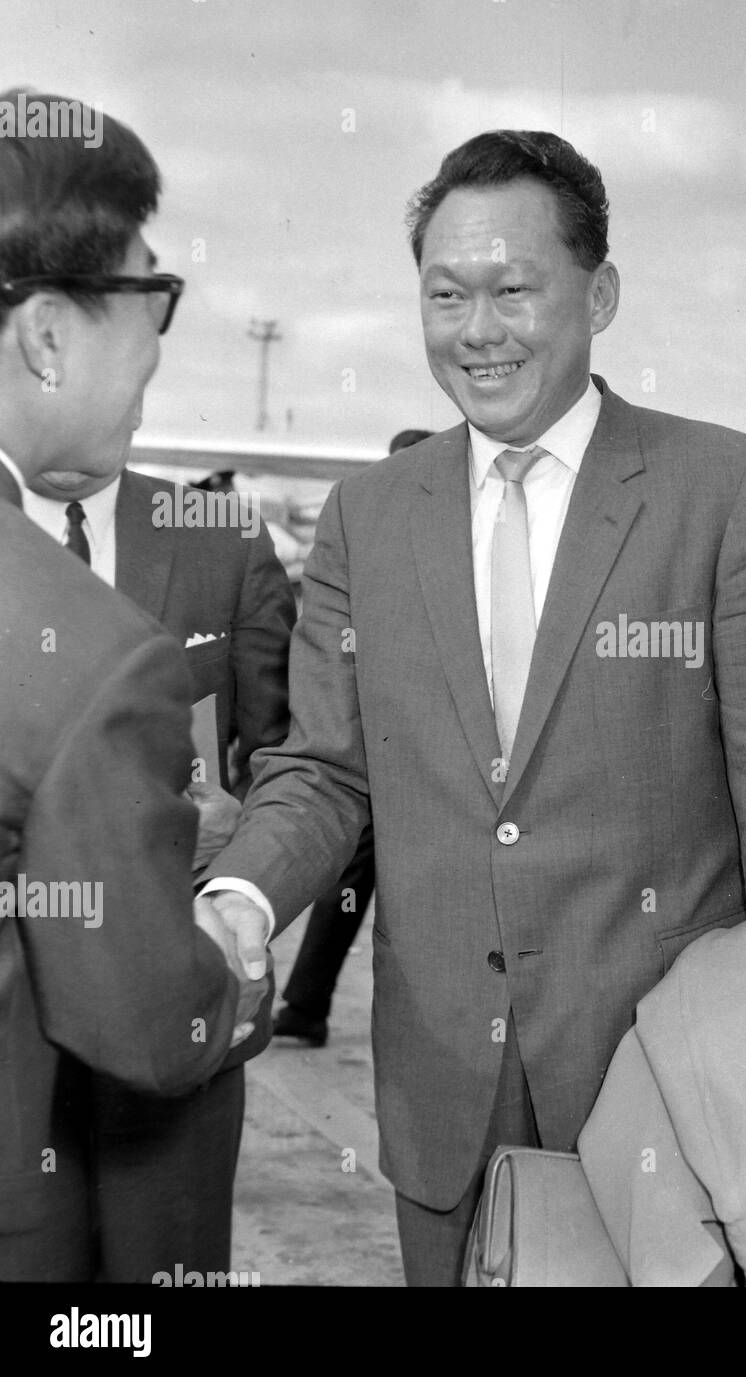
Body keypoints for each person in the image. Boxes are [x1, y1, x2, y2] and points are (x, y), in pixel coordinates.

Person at [198, 129, 746, 1285]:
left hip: (668, 1093)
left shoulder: (721, 491)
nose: (478, 330)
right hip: (443, 1086)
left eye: (514, 290)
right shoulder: (367, 517)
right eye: (445, 294)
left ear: (598, 295)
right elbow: (325, 770)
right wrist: (244, 896)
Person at [0, 89, 264, 1281]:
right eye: (150, 298)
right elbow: (146, 1023)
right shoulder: (85, 656)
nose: (157, 346)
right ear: (50, 334)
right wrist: (230, 966)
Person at [20, 421, 295, 1281]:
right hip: (12, 1013)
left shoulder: (221, 536)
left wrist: (242, 837)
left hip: (183, 993)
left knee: (163, 1267)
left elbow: (295, 758)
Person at [273, 428, 432, 1047]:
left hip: (416, 753)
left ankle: (309, 1007)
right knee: (352, 880)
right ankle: (306, 1005)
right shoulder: (376, 540)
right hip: (372, 747)